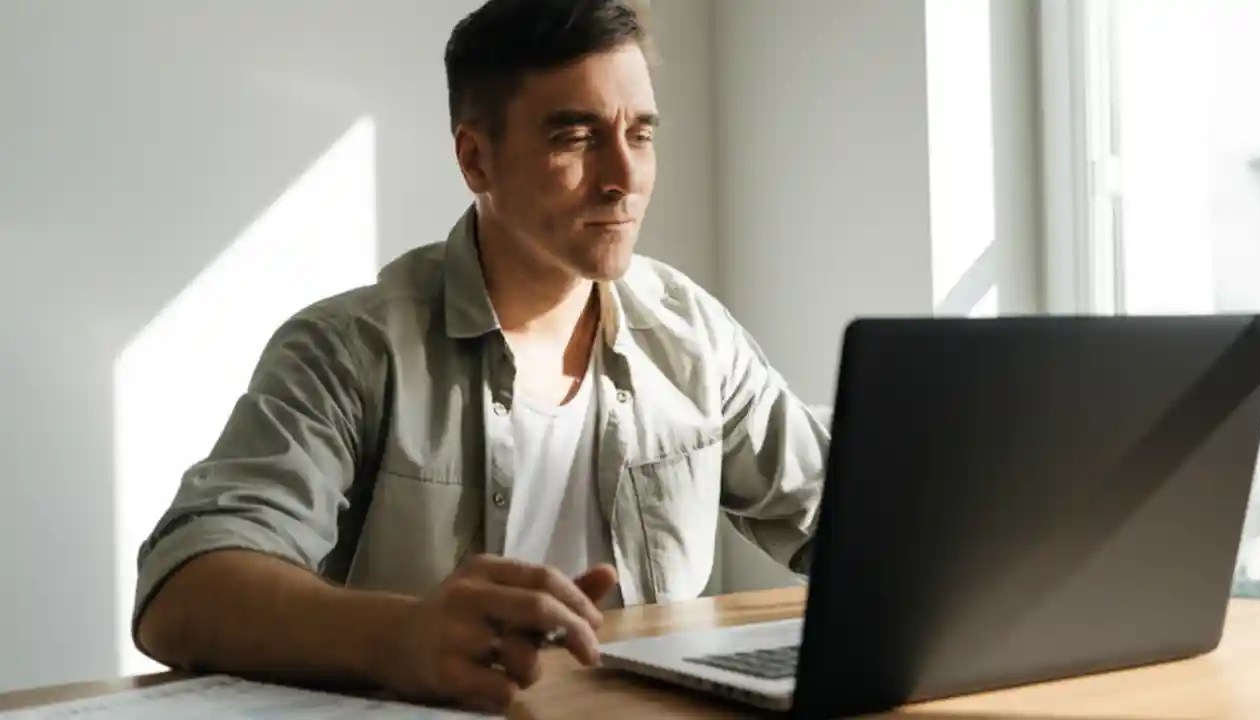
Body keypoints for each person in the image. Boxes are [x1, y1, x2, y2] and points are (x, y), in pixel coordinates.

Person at [133, 0, 828, 712]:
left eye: (641, 134)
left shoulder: (691, 336)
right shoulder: (350, 350)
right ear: (476, 158)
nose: (625, 176)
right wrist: (399, 635)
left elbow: (850, 513)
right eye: (576, 137)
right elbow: (183, 587)